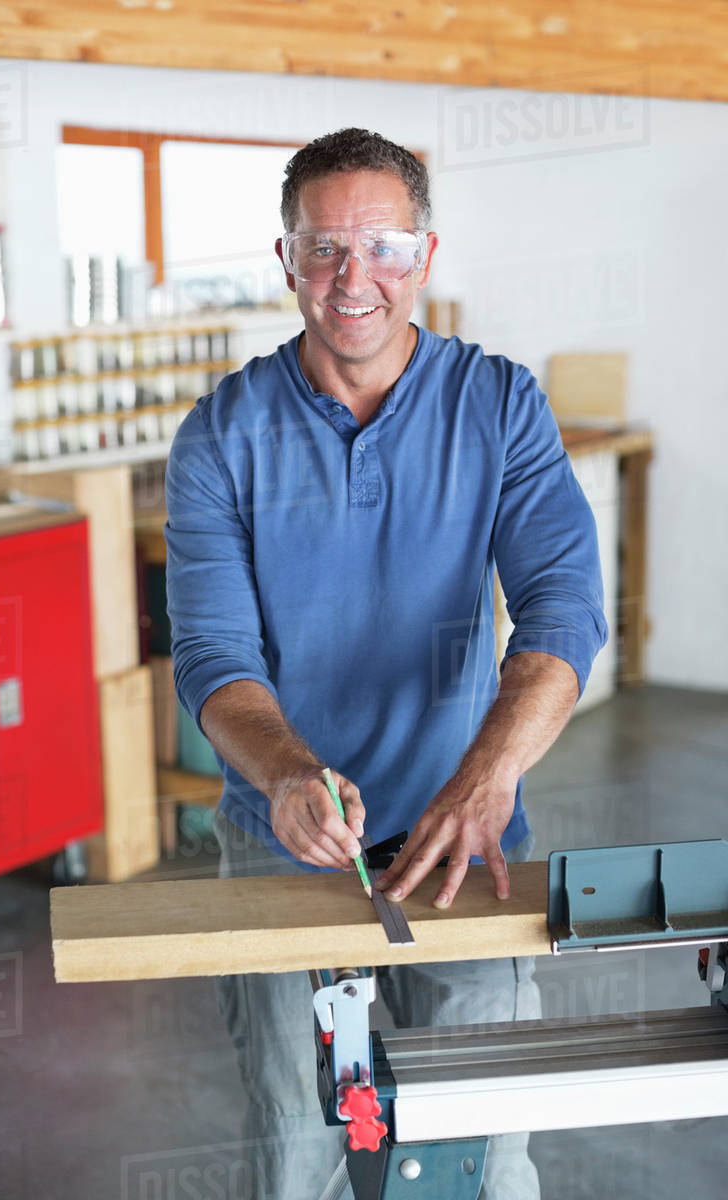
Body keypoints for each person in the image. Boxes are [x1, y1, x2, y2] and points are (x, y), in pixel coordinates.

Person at [165, 127, 607, 1199]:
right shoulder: (222, 437)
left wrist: (488, 775)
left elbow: (562, 610)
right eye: (320, 247)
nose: (349, 277)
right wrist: (284, 774)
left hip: (465, 848)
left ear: (425, 253)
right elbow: (214, 654)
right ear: (284, 261)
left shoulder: (497, 406)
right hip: (284, 846)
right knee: (301, 1147)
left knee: (480, 1151)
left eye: (380, 246)